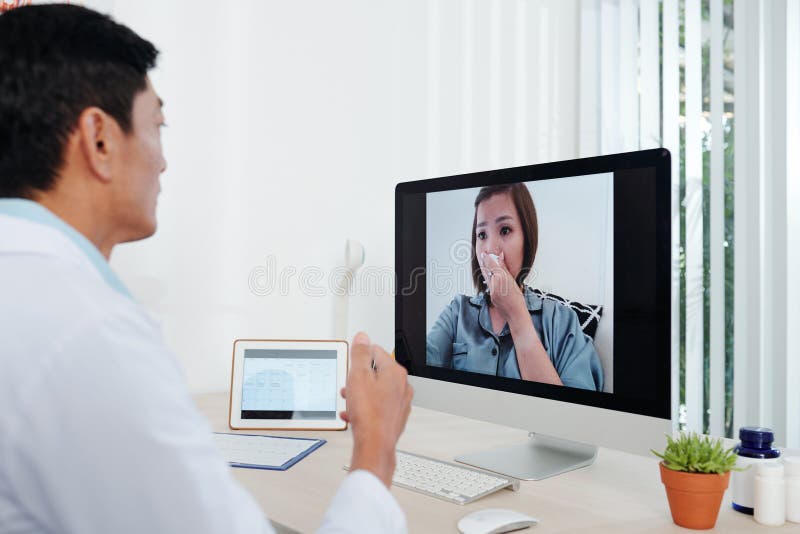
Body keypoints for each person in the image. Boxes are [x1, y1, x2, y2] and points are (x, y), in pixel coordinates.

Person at [0, 5, 412, 533]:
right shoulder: (85, 335)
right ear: (99, 139)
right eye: (158, 125)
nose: (163, 160)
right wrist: (376, 447)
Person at [426, 183, 604, 391]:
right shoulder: (457, 312)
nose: (490, 248)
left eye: (505, 230)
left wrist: (517, 316)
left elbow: (580, 416)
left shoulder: (561, 320)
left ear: (527, 239)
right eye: (482, 235)